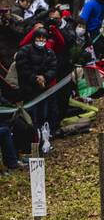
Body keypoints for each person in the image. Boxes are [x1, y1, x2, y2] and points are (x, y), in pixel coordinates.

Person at [15, 22, 58, 153]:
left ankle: (43, 142)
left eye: (43, 39)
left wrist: (45, 77)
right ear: (34, 39)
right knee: (30, 119)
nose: (41, 41)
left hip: (43, 91)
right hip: (29, 91)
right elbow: (22, 68)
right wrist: (35, 78)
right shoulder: (25, 51)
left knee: (43, 117)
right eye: (39, 38)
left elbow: (53, 68)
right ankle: (30, 146)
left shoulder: (49, 52)